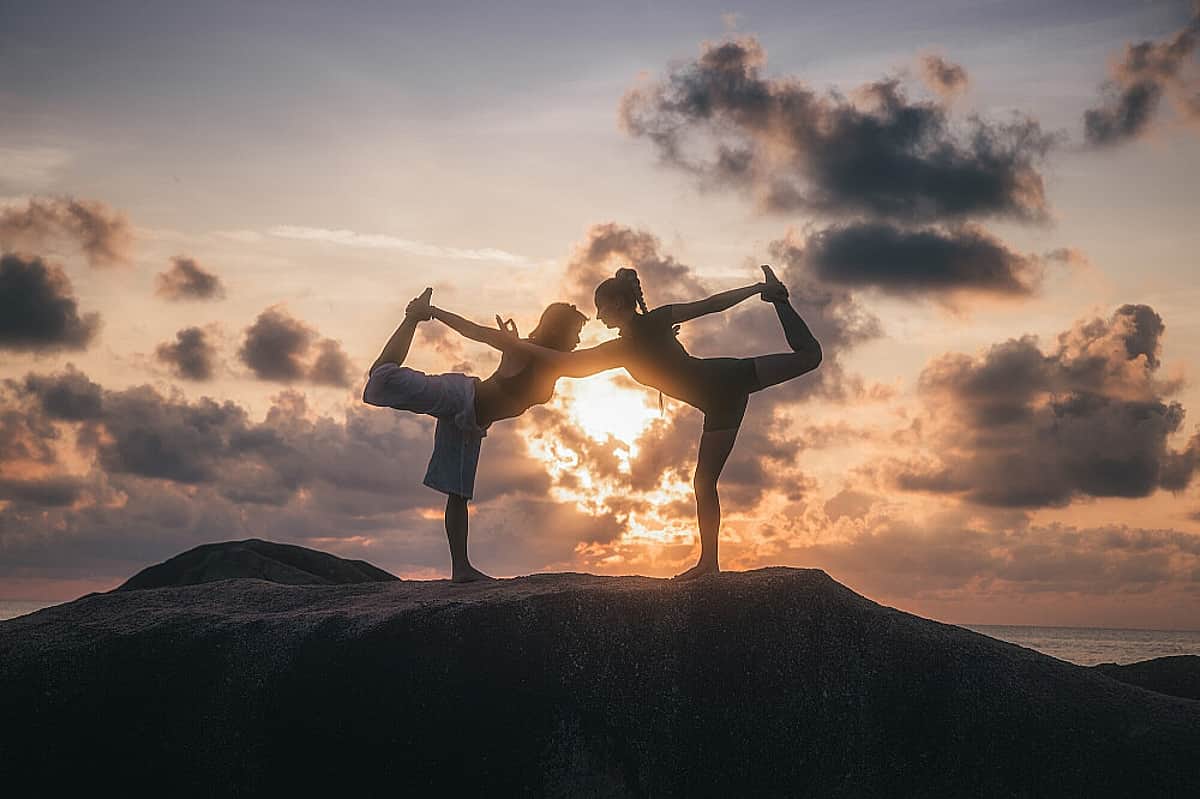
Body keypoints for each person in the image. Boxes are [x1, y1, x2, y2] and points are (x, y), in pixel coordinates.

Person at [451, 265, 821, 580]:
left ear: (616, 303)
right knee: (703, 481)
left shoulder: (648, 328)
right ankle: (709, 563)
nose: (597, 317)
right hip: (721, 406)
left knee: (809, 357)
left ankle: (778, 299)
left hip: (729, 379)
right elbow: (571, 366)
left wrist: (759, 289)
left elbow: (710, 305)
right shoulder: (630, 342)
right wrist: (518, 347)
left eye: (600, 308)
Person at [362, 288, 591, 582]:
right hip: (461, 397)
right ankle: (413, 317)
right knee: (380, 381)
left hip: (471, 424)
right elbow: (473, 331)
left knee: (458, 492)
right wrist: (431, 312)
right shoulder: (518, 348)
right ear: (559, 329)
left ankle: (461, 568)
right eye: (576, 331)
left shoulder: (555, 363)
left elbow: (593, 362)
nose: (578, 339)